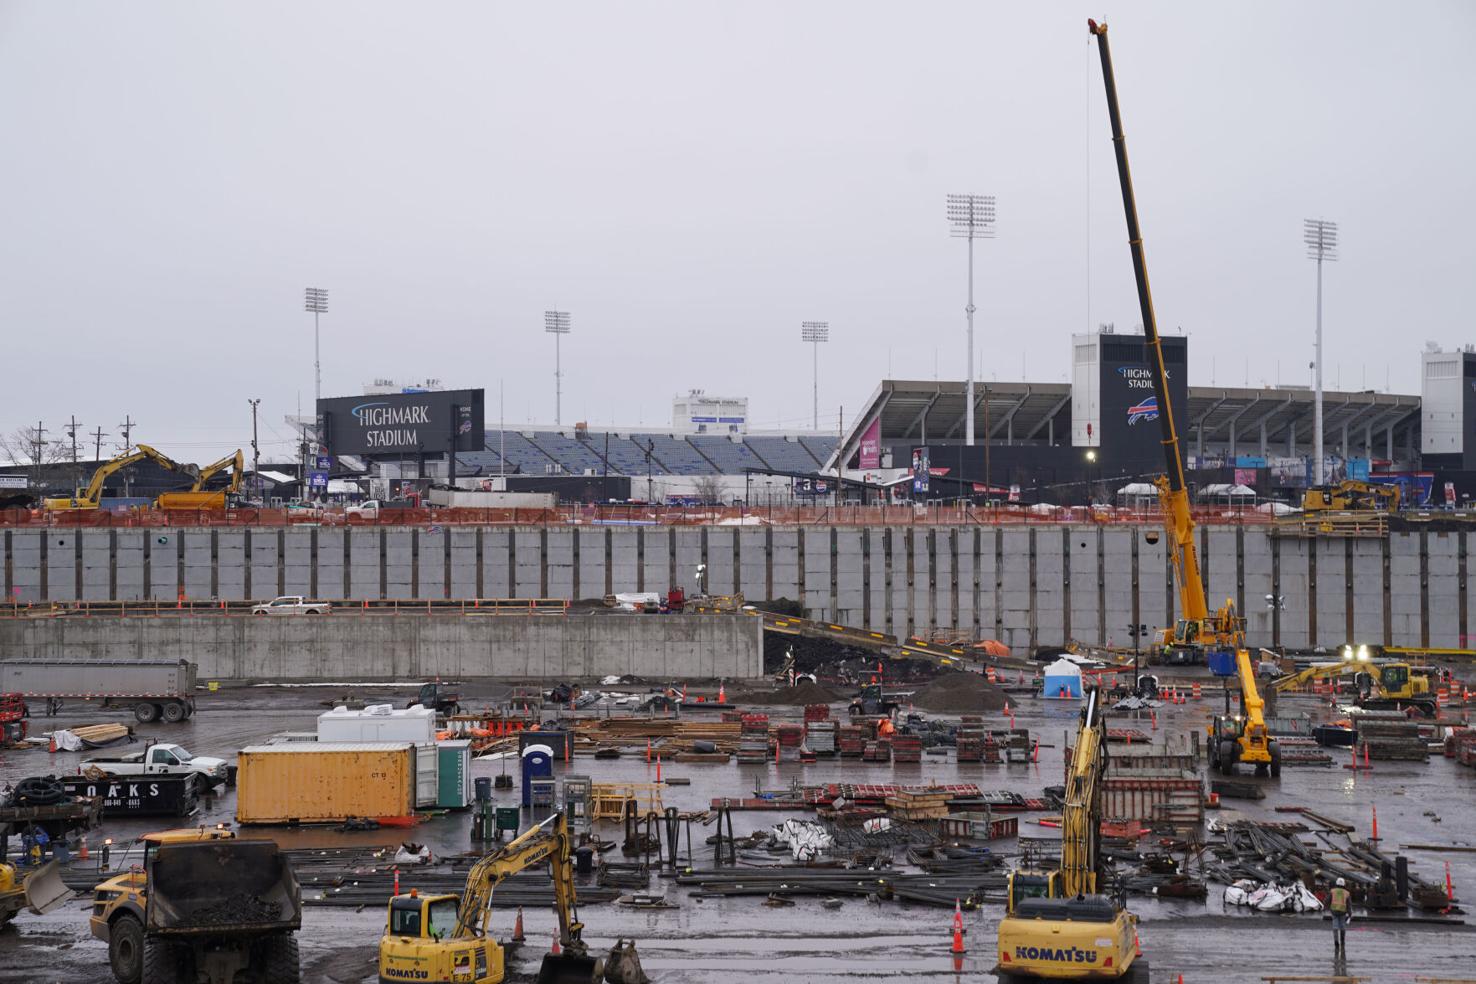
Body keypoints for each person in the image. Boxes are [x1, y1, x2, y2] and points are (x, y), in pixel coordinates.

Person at [1329, 877, 1351, 953]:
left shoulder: (1332, 891)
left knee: (1335, 927)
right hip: (1343, 911)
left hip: (1334, 911)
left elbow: (1327, 900)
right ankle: (1342, 941)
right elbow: (1349, 904)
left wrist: (1324, 907)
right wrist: (1350, 913)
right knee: (1342, 926)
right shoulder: (1347, 893)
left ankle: (1336, 943)